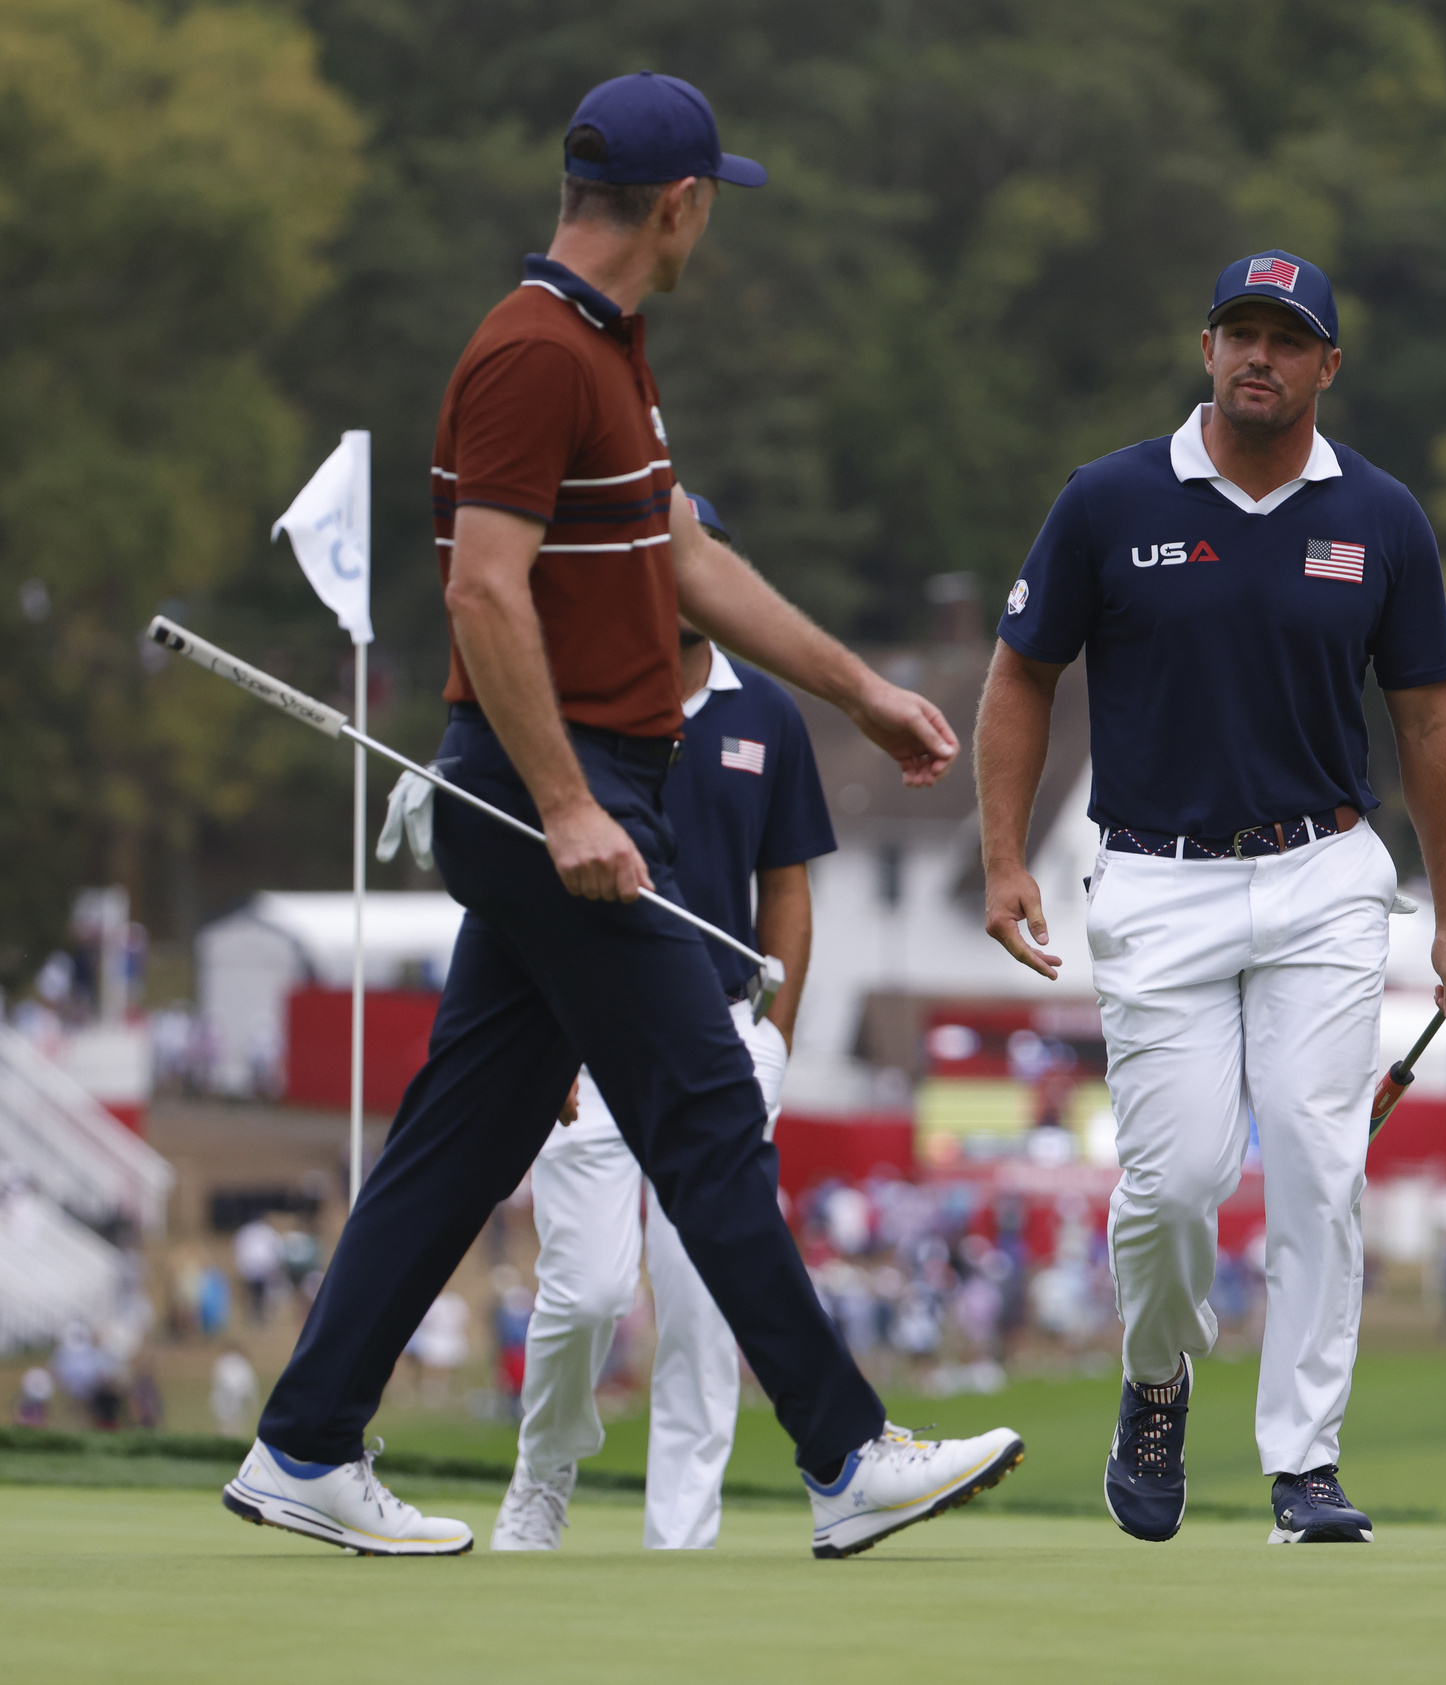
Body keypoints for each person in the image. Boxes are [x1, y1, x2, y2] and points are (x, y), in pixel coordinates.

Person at [222, 71, 1020, 1559]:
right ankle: (847, 1454)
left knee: (462, 1136)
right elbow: (482, 592)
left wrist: (859, 691)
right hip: (552, 795)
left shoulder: (602, 348)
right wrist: (570, 802)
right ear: (680, 205)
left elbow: (687, 564)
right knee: (706, 1107)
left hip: (567, 790)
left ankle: (305, 1442)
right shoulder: (537, 353)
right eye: (711, 203)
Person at [977, 250, 1446, 1546]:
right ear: (1206, 348)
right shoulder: (1107, 499)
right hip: (1156, 878)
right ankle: (1157, 1377)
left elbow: (1432, 720)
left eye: (1287, 337)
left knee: (1318, 1165)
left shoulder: (1381, 516)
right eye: (1239, 332)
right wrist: (1002, 856)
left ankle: (1303, 1461)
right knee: (1175, 1184)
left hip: (1324, 872)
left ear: (1327, 365)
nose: (1260, 355)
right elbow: (1022, 673)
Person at [494, 496, 839, 1552]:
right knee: (588, 1293)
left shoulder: (767, 712)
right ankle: (545, 1471)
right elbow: (516, 877)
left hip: (723, 1036)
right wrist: (537, 1034)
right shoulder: (571, 699)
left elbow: (787, 886)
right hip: (587, 1037)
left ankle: (680, 1537)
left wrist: (774, 1035)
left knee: (700, 1306)